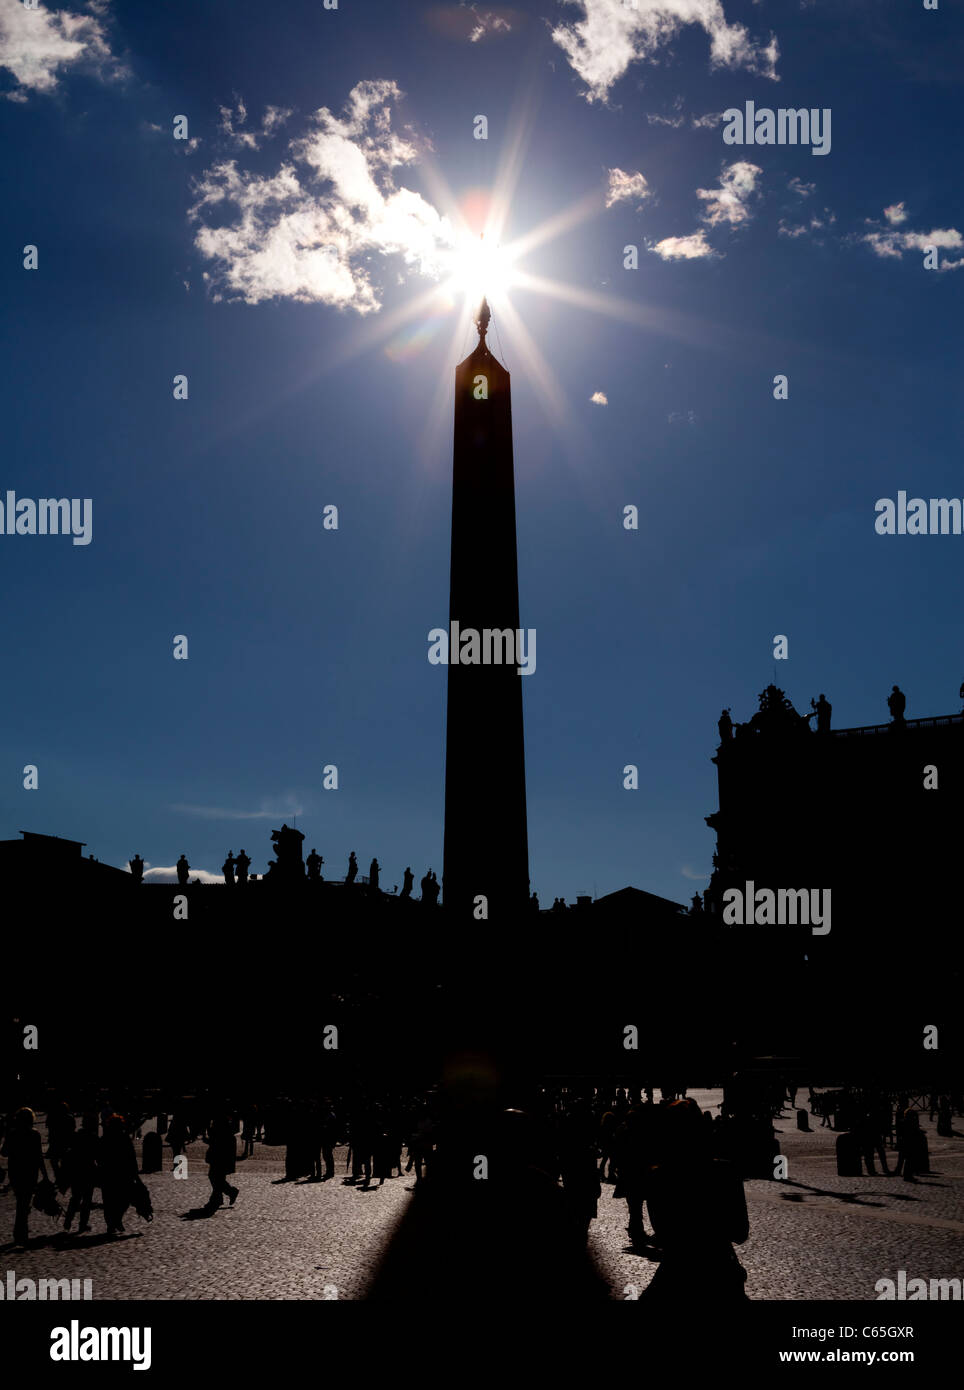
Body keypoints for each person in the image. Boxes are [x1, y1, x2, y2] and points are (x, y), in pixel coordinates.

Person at [2, 1107, 46, 1247]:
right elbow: (39, 1157)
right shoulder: (35, 1134)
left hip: (16, 1172)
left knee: (21, 1201)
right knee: (24, 1202)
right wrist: (45, 1175)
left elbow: (4, 1153)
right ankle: (21, 1232)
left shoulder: (12, 1134)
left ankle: (20, 1231)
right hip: (30, 1172)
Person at [99, 1114, 139, 1235]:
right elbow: (131, 1156)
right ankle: (115, 1221)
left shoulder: (105, 1138)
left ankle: (112, 1223)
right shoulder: (123, 1138)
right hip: (121, 1173)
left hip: (108, 1173)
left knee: (109, 1201)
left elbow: (100, 1156)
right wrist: (134, 1172)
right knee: (123, 1199)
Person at [63, 1112, 99, 1234]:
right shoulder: (93, 1137)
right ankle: (82, 1224)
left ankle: (68, 1220)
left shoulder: (76, 1136)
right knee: (87, 1199)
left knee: (76, 1197)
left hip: (76, 1170)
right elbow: (97, 1156)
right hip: (88, 1170)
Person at [204, 1115, 239, 1210]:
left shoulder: (221, 1128)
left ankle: (229, 1192)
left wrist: (208, 1139)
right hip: (221, 1157)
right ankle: (218, 1198)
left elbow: (217, 1142)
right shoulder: (226, 1128)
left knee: (215, 1177)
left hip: (219, 1157)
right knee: (217, 1177)